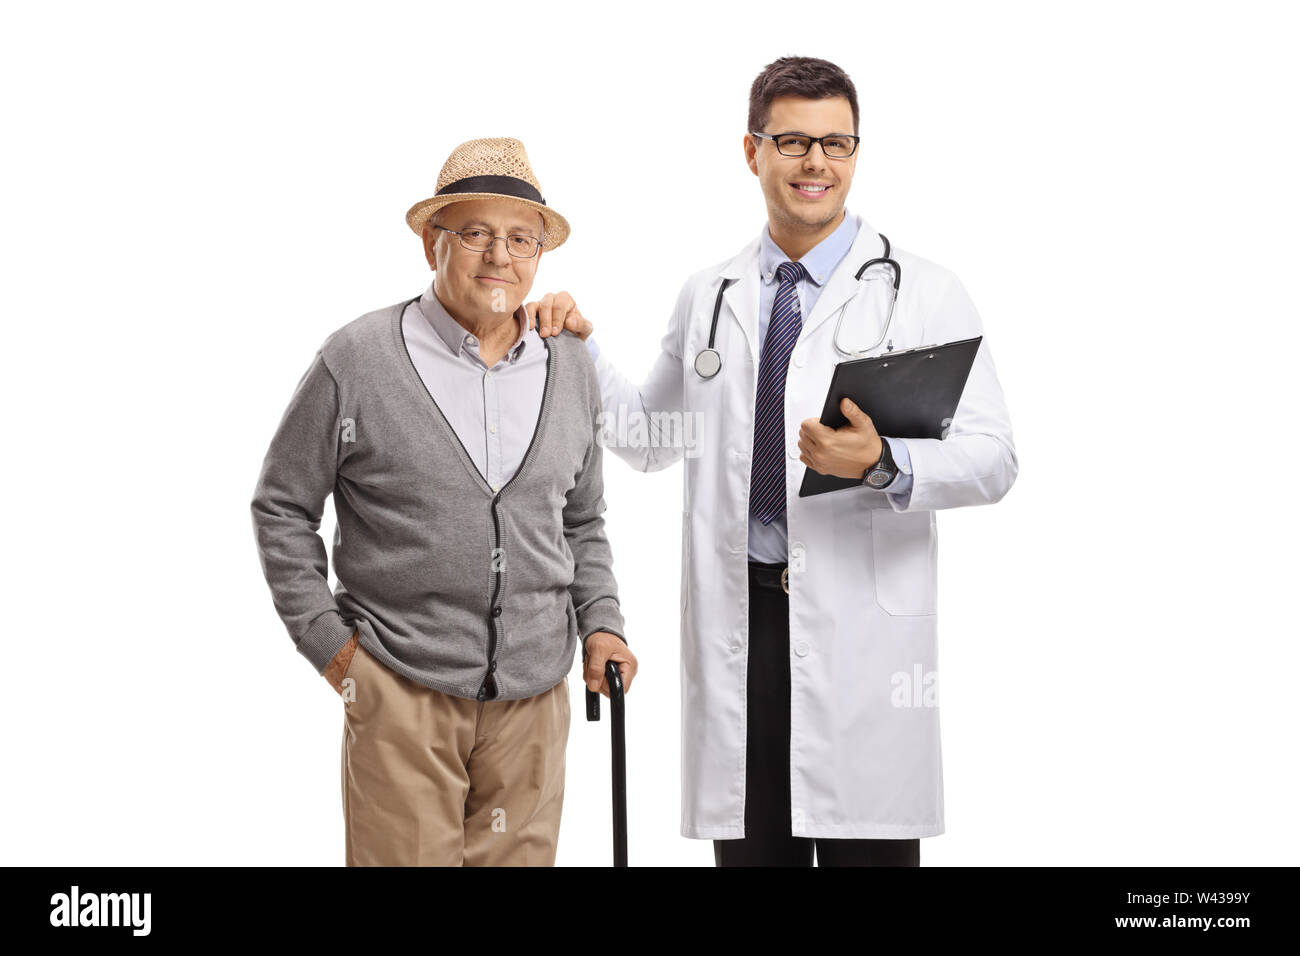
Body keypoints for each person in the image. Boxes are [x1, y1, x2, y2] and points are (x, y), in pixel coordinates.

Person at [529, 57, 1017, 866]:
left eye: (836, 143)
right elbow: (654, 439)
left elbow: (995, 458)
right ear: (751, 151)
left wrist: (884, 461)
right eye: (791, 141)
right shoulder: (709, 293)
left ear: (857, 152)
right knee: (754, 853)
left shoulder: (922, 291)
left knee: (868, 852)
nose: (815, 163)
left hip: (863, 636)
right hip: (743, 619)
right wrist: (579, 348)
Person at [250, 137, 637, 866]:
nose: (499, 255)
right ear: (434, 242)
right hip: (401, 688)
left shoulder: (571, 365)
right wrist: (334, 650)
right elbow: (282, 505)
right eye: (475, 234)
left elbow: (582, 521)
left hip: (532, 701)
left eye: (520, 238)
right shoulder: (357, 359)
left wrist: (602, 627)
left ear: (539, 255)